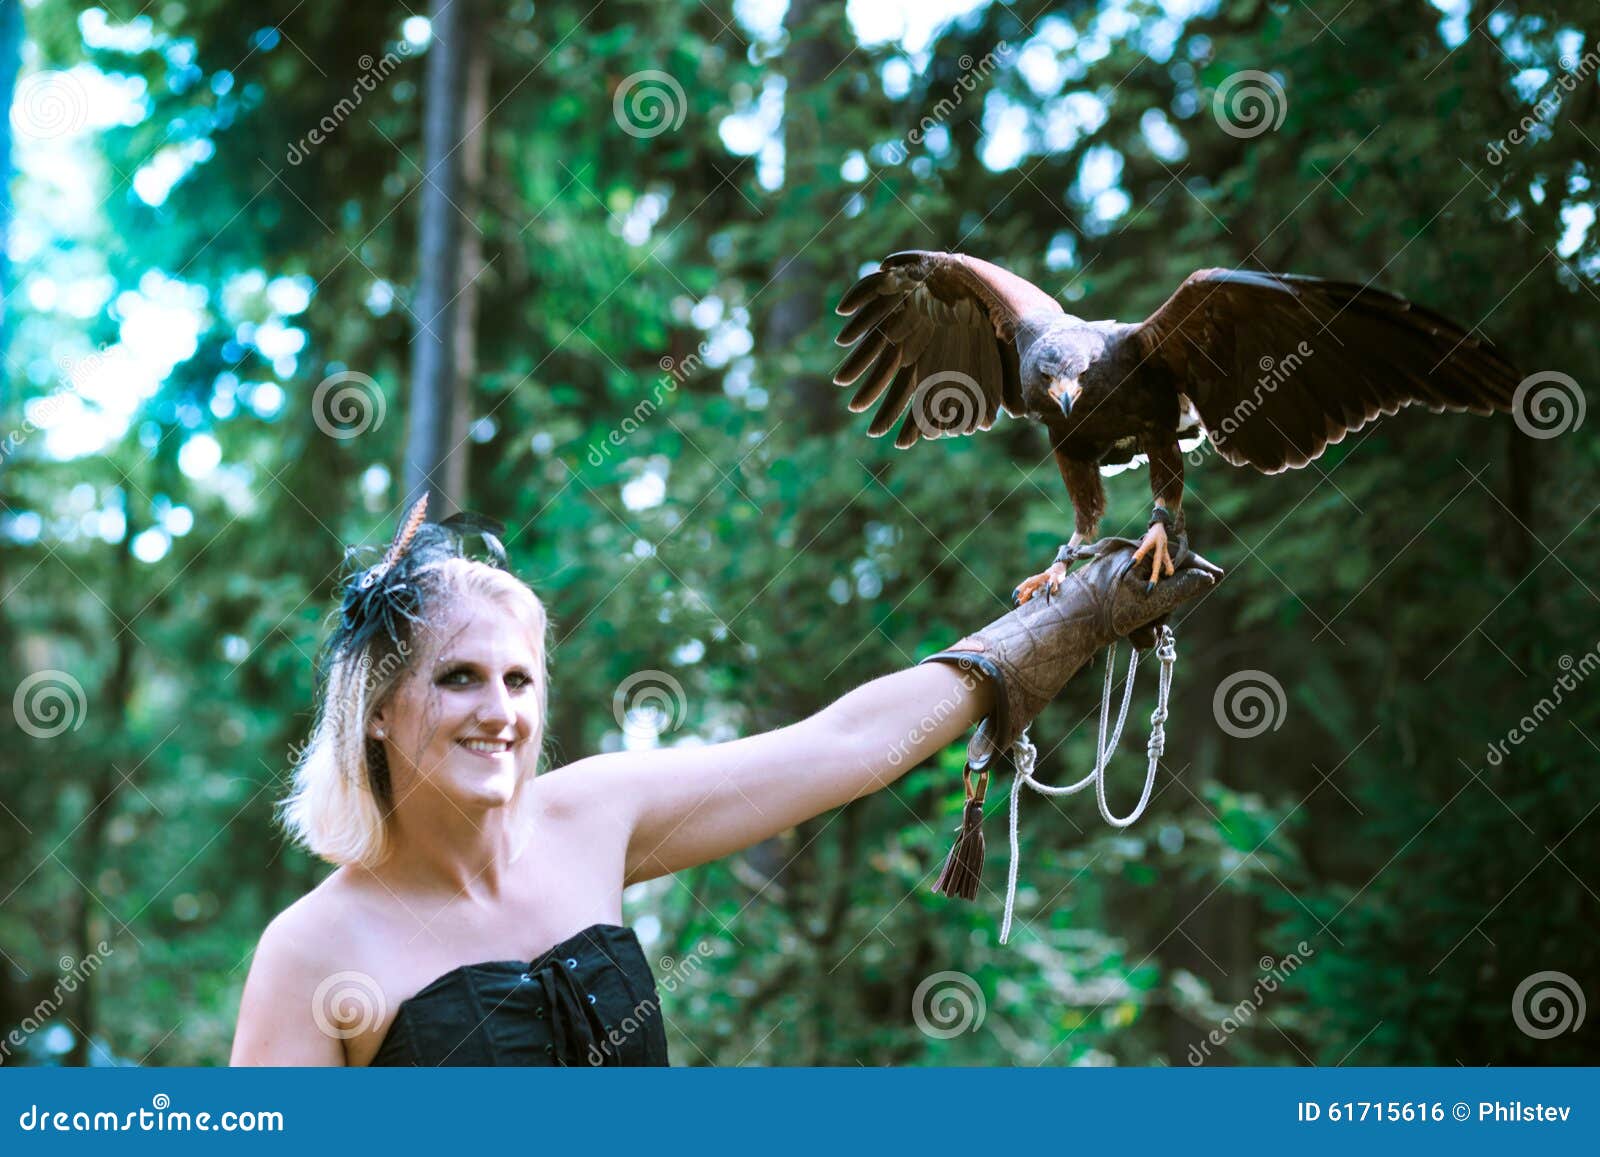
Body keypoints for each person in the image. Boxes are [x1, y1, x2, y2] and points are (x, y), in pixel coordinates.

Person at [230, 497, 1215, 1066]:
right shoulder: (313, 950)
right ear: (374, 706)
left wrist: (1050, 631)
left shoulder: (592, 815)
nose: (501, 711)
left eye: (519, 678)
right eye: (457, 677)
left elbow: (841, 744)